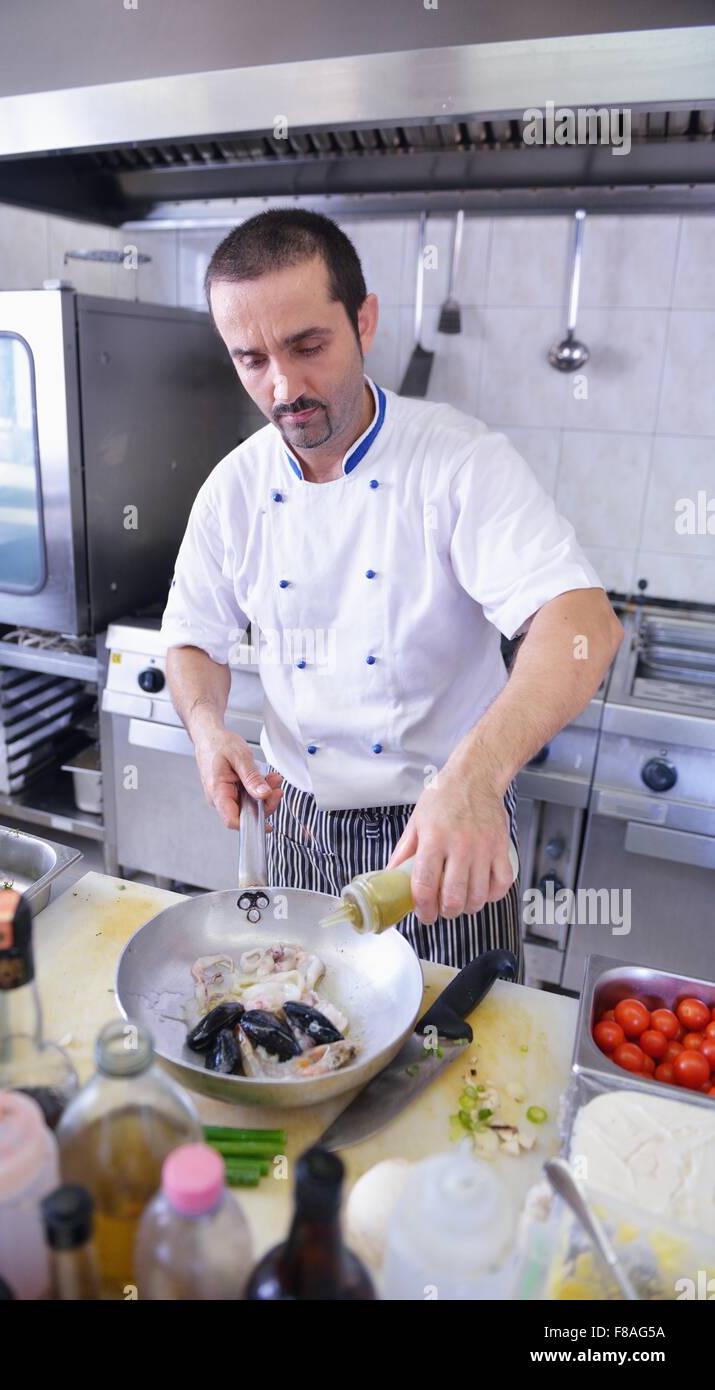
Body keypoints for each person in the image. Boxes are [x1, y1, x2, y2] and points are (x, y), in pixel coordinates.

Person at [159, 209, 623, 972]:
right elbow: (190, 637)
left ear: (363, 319)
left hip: (441, 825)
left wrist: (476, 780)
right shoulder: (234, 487)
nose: (284, 386)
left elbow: (583, 624)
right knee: (310, 1020)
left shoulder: (459, 461)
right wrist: (206, 725)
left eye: (308, 346)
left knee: (457, 1047)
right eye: (250, 359)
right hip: (296, 824)